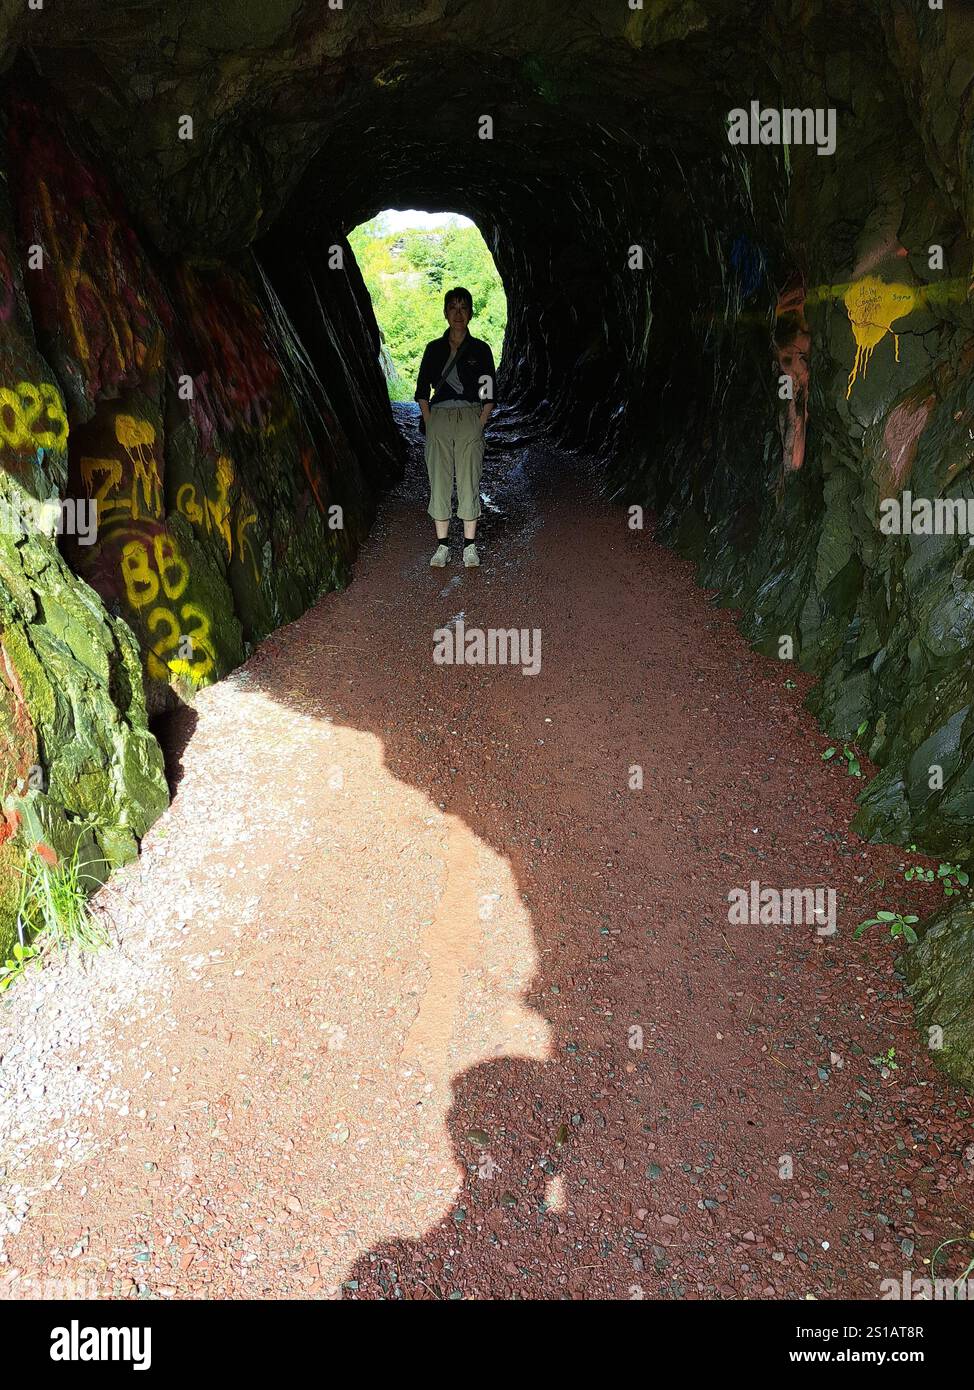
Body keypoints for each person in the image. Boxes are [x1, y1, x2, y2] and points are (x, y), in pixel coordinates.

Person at [414, 286, 497, 567]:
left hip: (470, 416)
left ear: (470, 312)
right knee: (439, 479)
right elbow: (422, 388)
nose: (458, 313)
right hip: (440, 418)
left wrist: (480, 421)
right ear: (445, 313)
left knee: (469, 479)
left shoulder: (481, 349)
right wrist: (429, 420)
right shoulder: (433, 349)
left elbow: (489, 389)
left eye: (463, 307)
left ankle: (469, 547)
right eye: (453, 307)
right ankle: (443, 546)